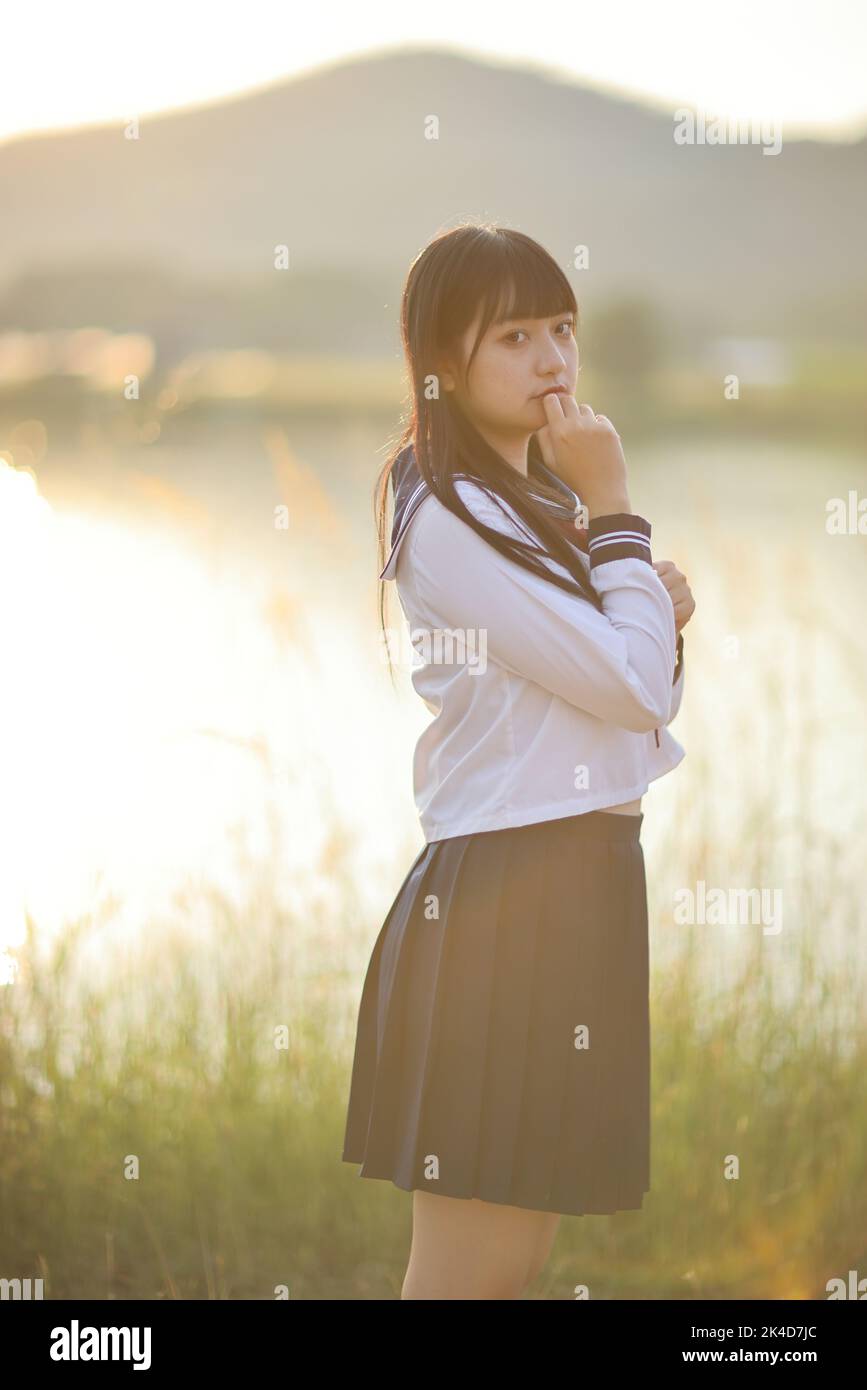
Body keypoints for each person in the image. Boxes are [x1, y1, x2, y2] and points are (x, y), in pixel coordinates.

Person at [341, 222, 695, 1300]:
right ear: (444, 364)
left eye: (562, 330)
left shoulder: (530, 506)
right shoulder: (446, 513)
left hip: (576, 887)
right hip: (501, 900)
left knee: (518, 1265)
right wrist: (622, 519)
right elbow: (629, 684)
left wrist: (653, 616)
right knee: (465, 1275)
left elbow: (638, 716)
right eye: (514, 337)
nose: (552, 360)